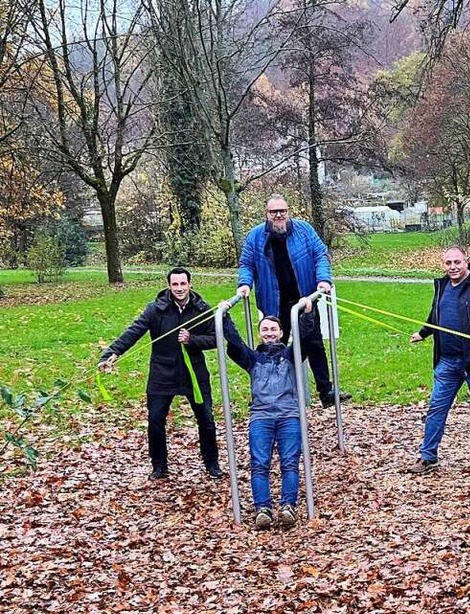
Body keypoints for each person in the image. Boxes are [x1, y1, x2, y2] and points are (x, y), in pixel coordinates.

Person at [98, 268, 224, 481]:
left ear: (190, 284)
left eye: (183, 284)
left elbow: (216, 339)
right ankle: (159, 466)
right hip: (162, 373)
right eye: (175, 285)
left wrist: (192, 340)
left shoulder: (202, 309)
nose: (180, 289)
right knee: (155, 420)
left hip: (193, 373)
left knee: (206, 419)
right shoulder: (155, 309)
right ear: (169, 286)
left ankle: (212, 464)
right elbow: (133, 332)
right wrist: (111, 353)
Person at [237, 194, 349, 407]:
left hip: (304, 301)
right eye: (273, 212)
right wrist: (244, 284)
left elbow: (320, 255)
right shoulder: (255, 237)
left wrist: (323, 280)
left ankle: (326, 391)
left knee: (314, 343)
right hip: (275, 304)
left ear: (288, 212)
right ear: (267, 214)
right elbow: (246, 264)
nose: (278, 215)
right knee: (275, 348)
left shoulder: (304, 230)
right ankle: (273, 393)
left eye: (282, 211)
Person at [407, 246, 470, 474]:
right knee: (436, 408)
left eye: (457, 262)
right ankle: (428, 456)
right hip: (448, 361)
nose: (452, 267)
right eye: (448, 263)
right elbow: (436, 314)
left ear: (466, 261)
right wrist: (423, 333)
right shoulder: (442, 286)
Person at [221, 306, 311, 529]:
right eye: (265, 329)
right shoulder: (254, 359)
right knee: (259, 464)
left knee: (289, 463)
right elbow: (235, 344)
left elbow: (305, 338)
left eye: (273, 329)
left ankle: (288, 506)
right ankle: (263, 509)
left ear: (281, 333)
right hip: (261, 416)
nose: (269, 333)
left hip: (288, 414)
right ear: (260, 333)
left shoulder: (290, 354)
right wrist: (224, 317)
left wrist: (308, 314)